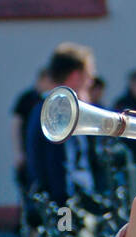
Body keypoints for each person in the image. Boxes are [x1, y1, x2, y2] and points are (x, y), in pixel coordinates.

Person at [25, 45, 97, 205]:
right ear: (75, 76)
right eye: (88, 75)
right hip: (66, 205)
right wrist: (67, 215)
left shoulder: (45, 106)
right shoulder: (59, 111)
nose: (91, 81)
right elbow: (61, 164)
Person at [11, 68, 51, 199]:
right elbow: (16, 125)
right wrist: (18, 152)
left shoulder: (50, 100)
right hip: (28, 153)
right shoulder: (27, 99)